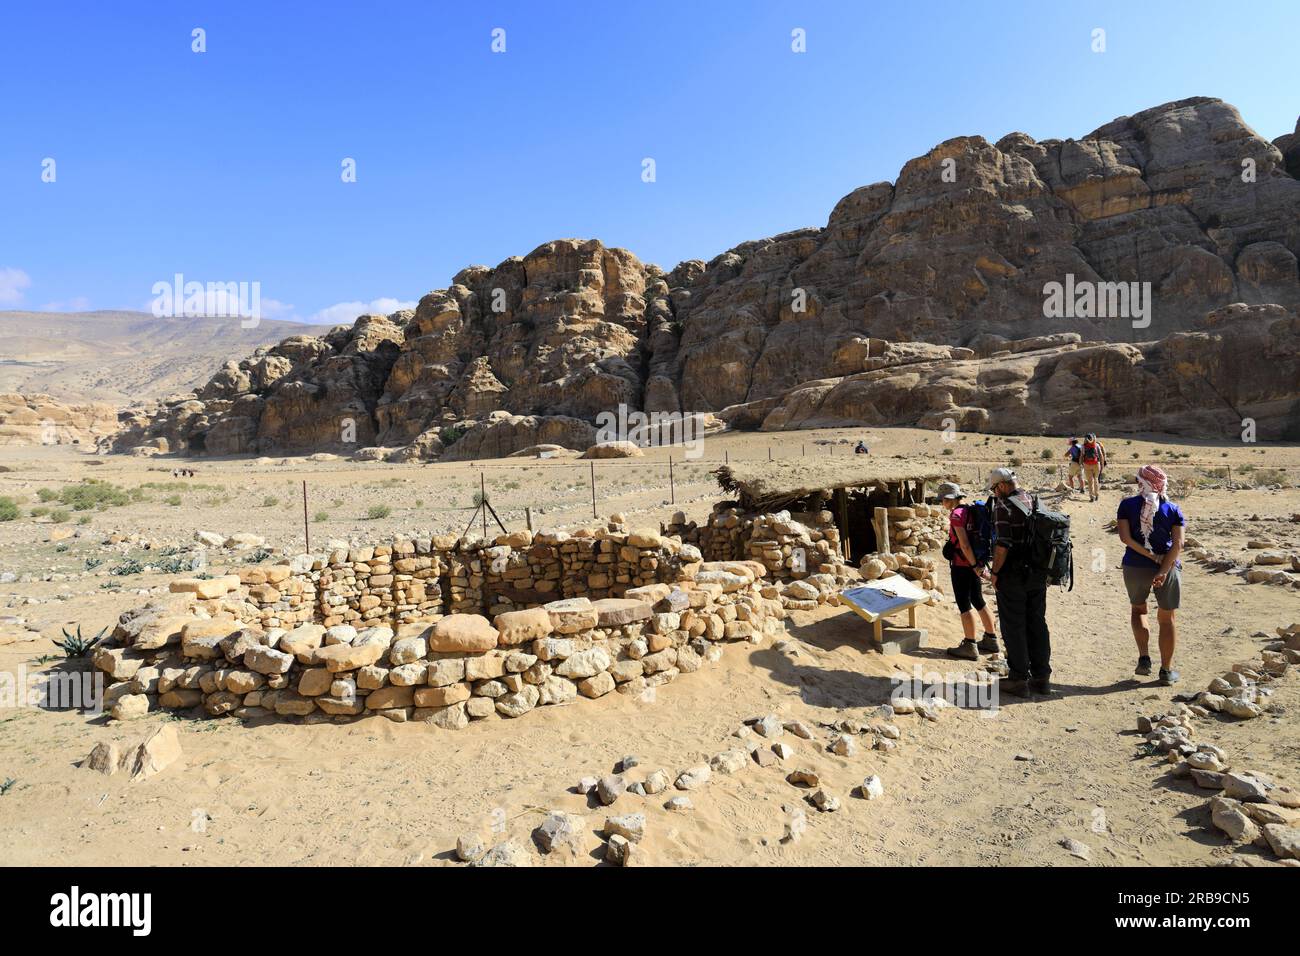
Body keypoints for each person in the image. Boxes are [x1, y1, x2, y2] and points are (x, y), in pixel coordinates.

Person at [1116, 464, 1185, 685]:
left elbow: (1126, 539)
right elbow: (1179, 544)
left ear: (1141, 483)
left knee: (1138, 610)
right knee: (1167, 618)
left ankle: (1144, 658)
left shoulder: (1127, 505)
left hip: (1135, 567)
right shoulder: (1173, 509)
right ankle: (1166, 671)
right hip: (1167, 567)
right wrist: (1163, 569)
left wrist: (1148, 555)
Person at [987, 467, 1052, 696]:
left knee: (1013, 626)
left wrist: (994, 573)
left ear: (1003, 485)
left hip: (1013, 576)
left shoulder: (1002, 506)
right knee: (1037, 623)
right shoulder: (1033, 500)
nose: (994, 493)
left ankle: (1018, 679)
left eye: (995, 488)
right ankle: (1042, 678)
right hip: (1037, 574)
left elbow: (1002, 544)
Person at [937, 482, 999, 661]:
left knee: (964, 604)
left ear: (949, 499)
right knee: (978, 599)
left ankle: (970, 645)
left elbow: (963, 543)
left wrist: (973, 566)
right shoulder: (970, 510)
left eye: (943, 500)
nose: (942, 503)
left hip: (962, 566)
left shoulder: (956, 515)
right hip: (974, 563)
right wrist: (977, 565)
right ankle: (991, 639)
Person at [1080, 433, 1106, 501]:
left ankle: (1091, 497)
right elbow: (1101, 455)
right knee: (1096, 479)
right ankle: (1097, 495)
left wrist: (1081, 464)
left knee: (1090, 481)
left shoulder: (1083, 446)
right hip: (1096, 464)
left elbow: (1082, 456)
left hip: (1087, 465)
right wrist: (1102, 465)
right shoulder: (1096, 445)